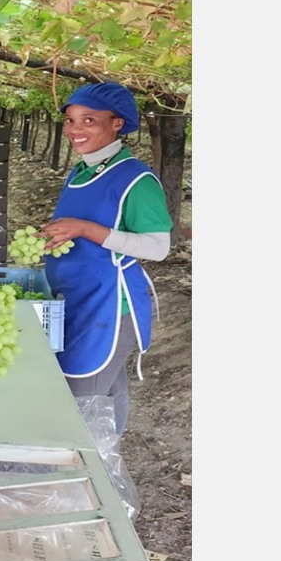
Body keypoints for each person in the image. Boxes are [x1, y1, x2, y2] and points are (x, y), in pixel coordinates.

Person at [40, 81, 172, 437]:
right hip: (77, 298)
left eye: (88, 120)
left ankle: (88, 481)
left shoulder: (135, 179)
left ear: (117, 123)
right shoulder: (80, 172)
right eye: (70, 121)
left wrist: (83, 229)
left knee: (83, 396)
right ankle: (108, 472)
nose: (75, 130)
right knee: (107, 391)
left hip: (107, 306)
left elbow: (158, 247)